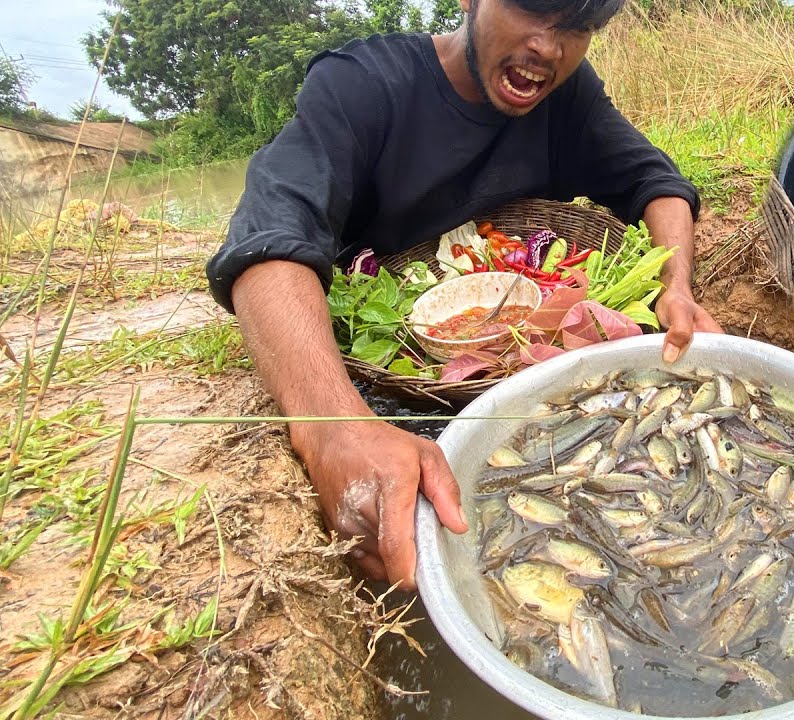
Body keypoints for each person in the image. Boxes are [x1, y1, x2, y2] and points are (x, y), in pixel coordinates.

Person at [204, 0, 723, 590]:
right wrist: (333, 428)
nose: (550, 48)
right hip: (392, 368)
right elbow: (270, 237)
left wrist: (675, 286)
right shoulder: (362, 85)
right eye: (532, 9)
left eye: (578, 28)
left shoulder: (568, 96)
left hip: (518, 366)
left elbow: (655, 181)